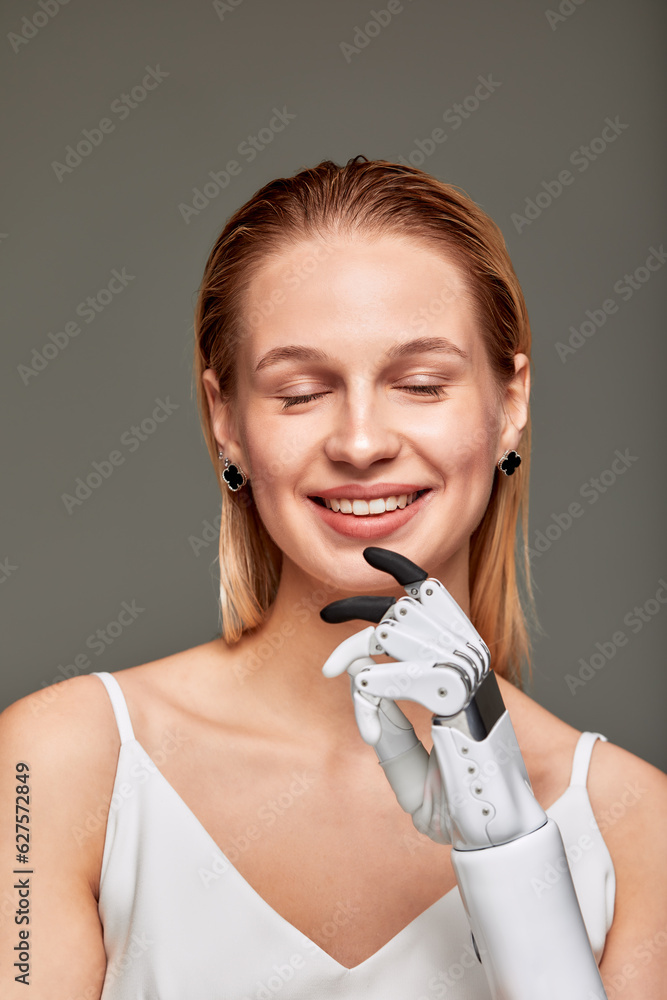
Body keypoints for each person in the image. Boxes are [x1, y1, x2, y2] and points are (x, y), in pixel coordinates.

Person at [1, 156, 665, 999]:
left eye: (420, 384)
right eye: (301, 392)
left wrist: (511, 860)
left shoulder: (636, 826)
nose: (359, 442)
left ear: (510, 402)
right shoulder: (55, 765)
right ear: (225, 419)